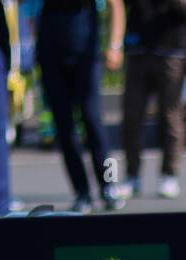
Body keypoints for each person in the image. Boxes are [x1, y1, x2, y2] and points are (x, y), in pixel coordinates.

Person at [37, 0, 125, 212]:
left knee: (92, 120)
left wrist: (114, 45)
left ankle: (109, 185)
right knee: (64, 127)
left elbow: (116, 5)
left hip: (85, 53)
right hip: (51, 52)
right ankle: (81, 192)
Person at [109, 0, 186, 199]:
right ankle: (132, 176)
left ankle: (169, 174)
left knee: (170, 115)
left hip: (172, 48)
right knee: (131, 116)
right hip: (138, 46)